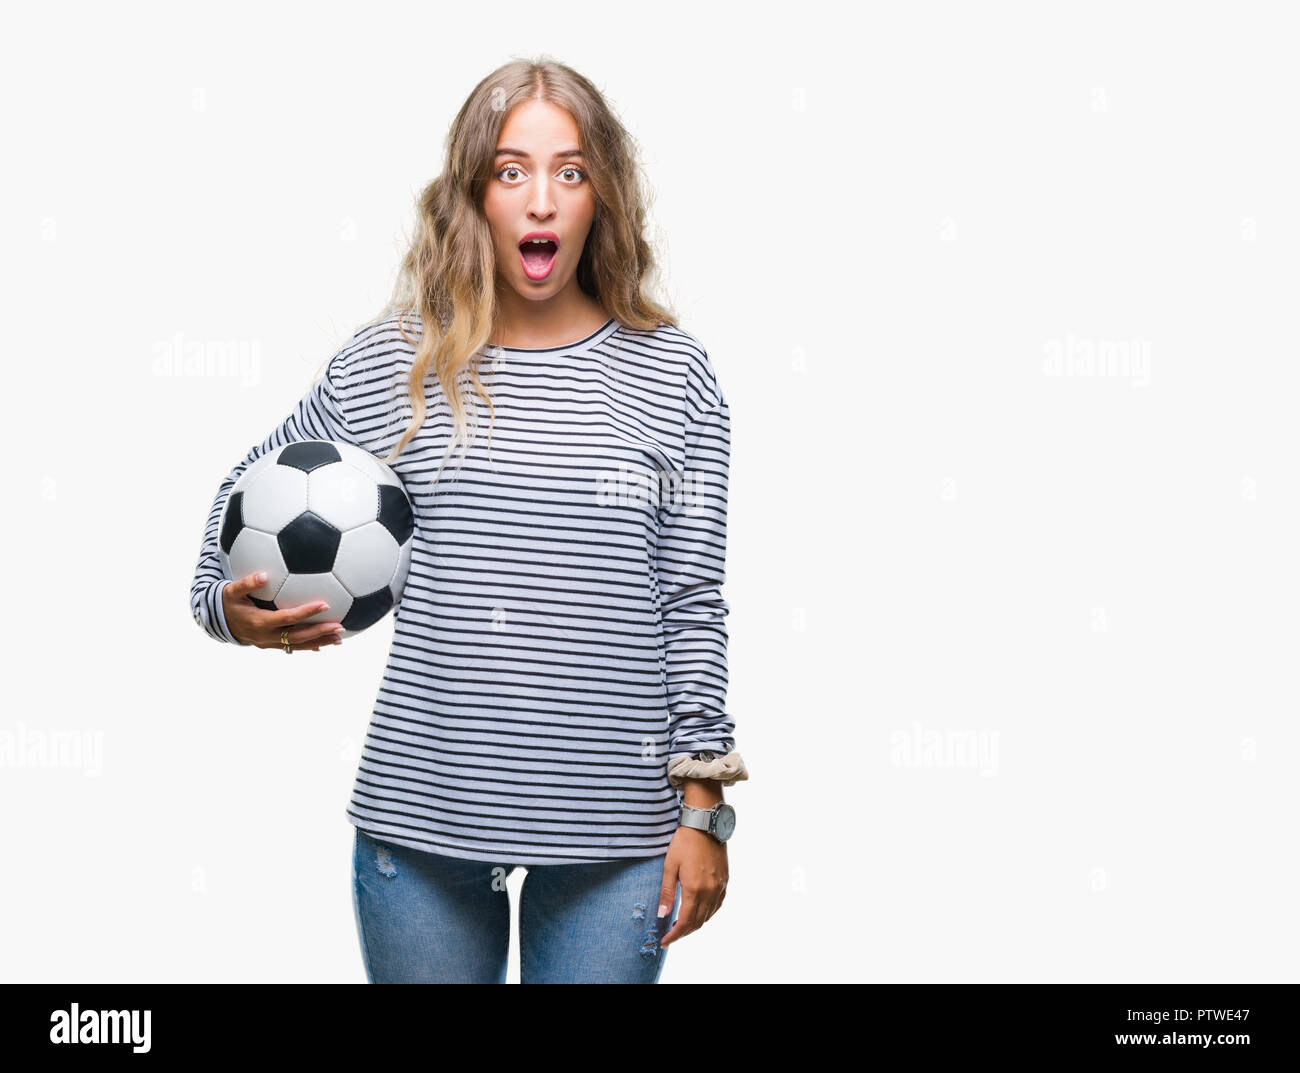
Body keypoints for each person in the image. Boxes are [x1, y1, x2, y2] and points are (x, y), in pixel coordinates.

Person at [188, 57, 748, 983]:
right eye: (510, 170)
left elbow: (691, 598)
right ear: (473, 195)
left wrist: (705, 811)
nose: (540, 202)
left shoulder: (673, 373)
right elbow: (243, 497)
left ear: (600, 196)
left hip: (618, 831)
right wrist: (227, 607)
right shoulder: (396, 360)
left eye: (570, 172)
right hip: (421, 825)